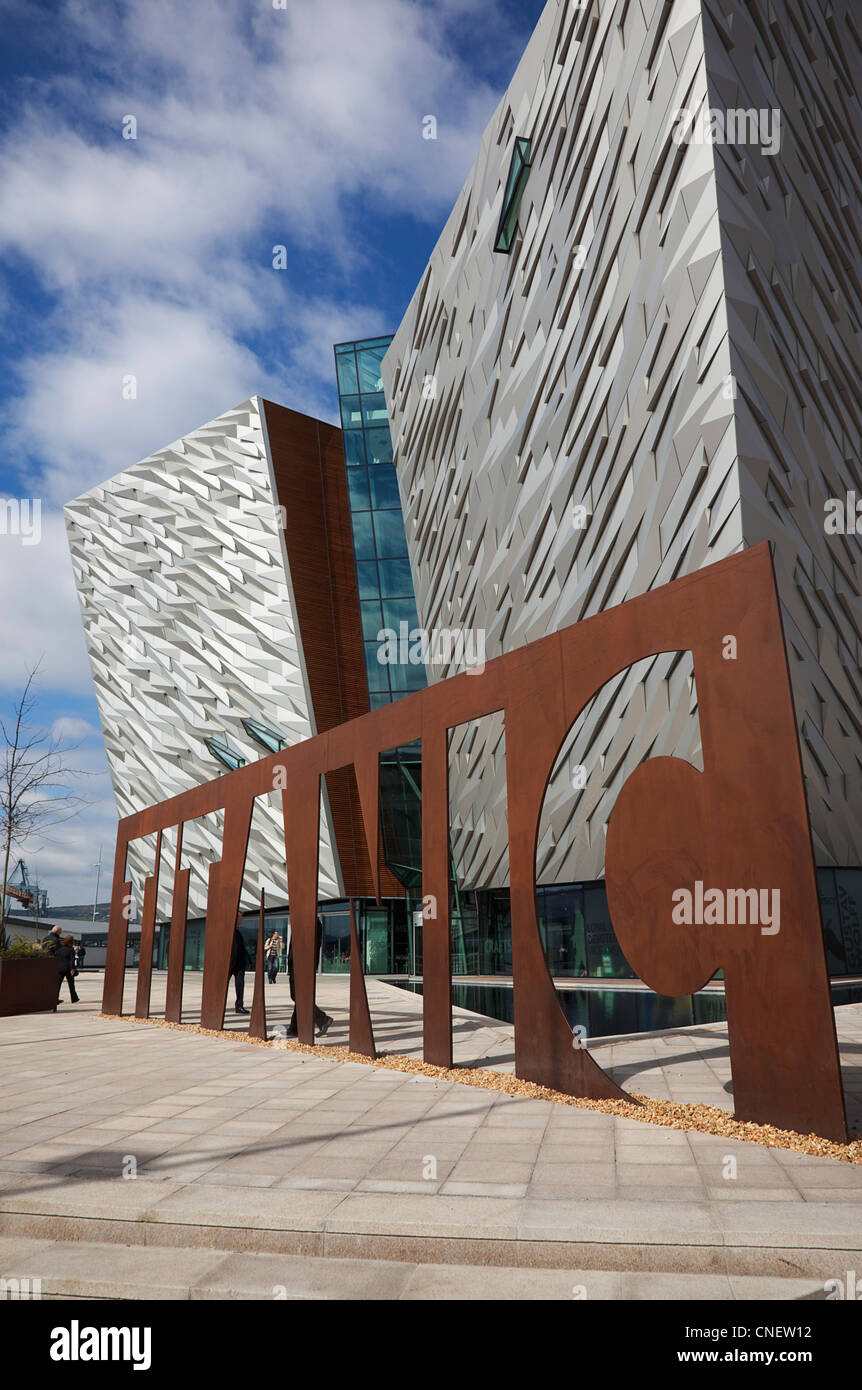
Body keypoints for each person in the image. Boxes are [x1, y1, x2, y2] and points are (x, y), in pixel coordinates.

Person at [286, 915, 333, 1037]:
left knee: (298, 996)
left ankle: (322, 1019)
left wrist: (292, 962)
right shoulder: (307, 920)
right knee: (300, 996)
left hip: (302, 964)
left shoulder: (310, 921)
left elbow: (305, 945)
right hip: (301, 964)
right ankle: (294, 1028)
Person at [230, 914, 250, 1015]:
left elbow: (242, 949)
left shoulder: (238, 933)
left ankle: (239, 1006)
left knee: (240, 985)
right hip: (229, 964)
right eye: (240, 918)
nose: (241, 920)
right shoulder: (228, 932)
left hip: (239, 964)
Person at [56, 934, 79, 1004]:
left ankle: (55, 998)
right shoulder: (71, 949)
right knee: (71, 984)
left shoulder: (59, 949)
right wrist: (72, 969)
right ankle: (74, 998)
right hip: (68, 968)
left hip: (60, 968)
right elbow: (71, 960)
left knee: (58, 985)